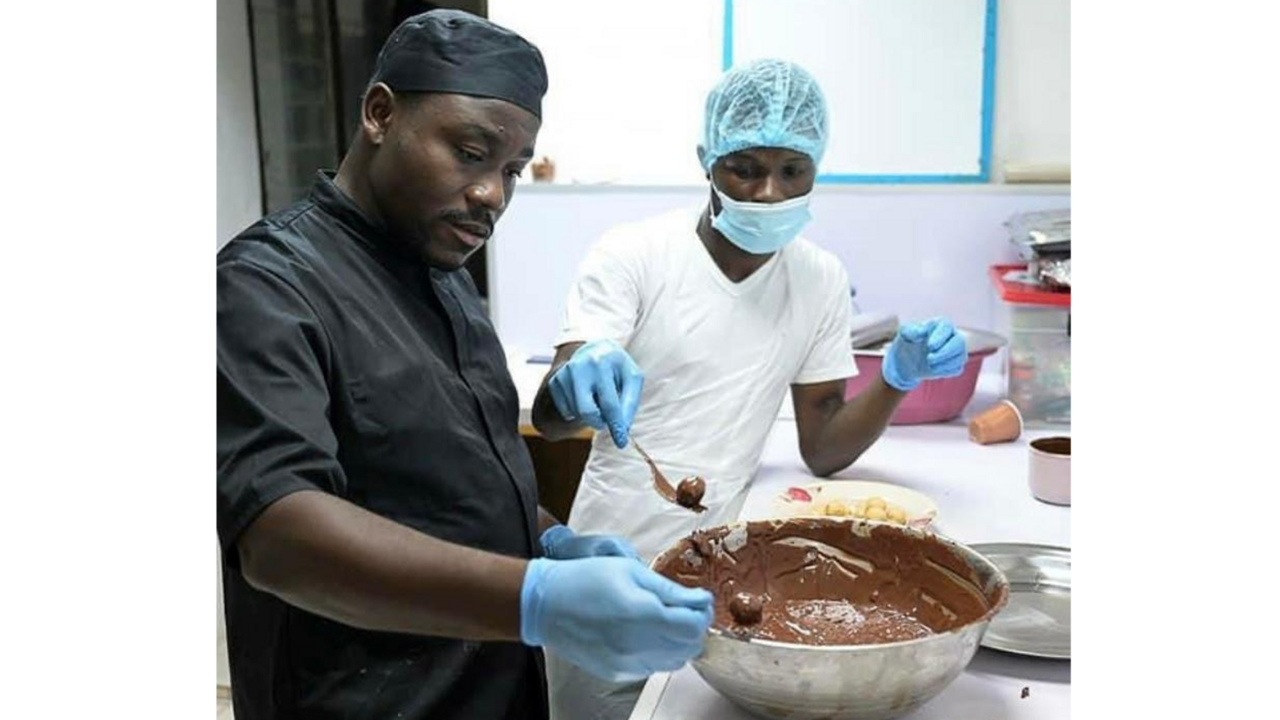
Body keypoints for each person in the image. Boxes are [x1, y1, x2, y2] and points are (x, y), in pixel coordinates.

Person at [217, 11, 712, 720]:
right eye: (470, 152)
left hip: (492, 688)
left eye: (511, 170)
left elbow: (456, 482)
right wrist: (534, 598)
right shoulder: (265, 287)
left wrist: (550, 541)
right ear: (380, 113)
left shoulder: (443, 276)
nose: (492, 194)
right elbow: (280, 538)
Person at [531, 58, 968, 719]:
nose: (768, 192)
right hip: (612, 565)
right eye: (744, 168)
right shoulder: (635, 256)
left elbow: (824, 447)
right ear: (706, 161)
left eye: (793, 170)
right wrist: (573, 385)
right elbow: (552, 418)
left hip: (731, 581)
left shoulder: (819, 279)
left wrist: (894, 379)